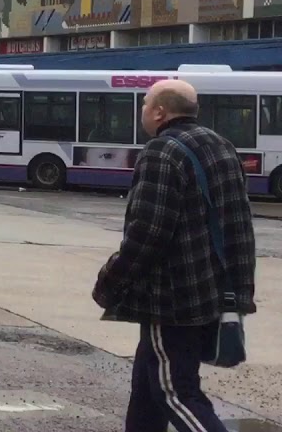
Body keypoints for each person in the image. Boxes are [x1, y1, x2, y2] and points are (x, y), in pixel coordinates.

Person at [93, 79, 256, 432]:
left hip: (172, 299)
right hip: (211, 291)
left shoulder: (161, 151)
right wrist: (240, 293)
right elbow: (239, 224)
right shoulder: (222, 146)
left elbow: (147, 233)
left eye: (144, 104)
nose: (142, 110)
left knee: (176, 393)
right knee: (147, 389)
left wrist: (110, 281)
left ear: (159, 112)